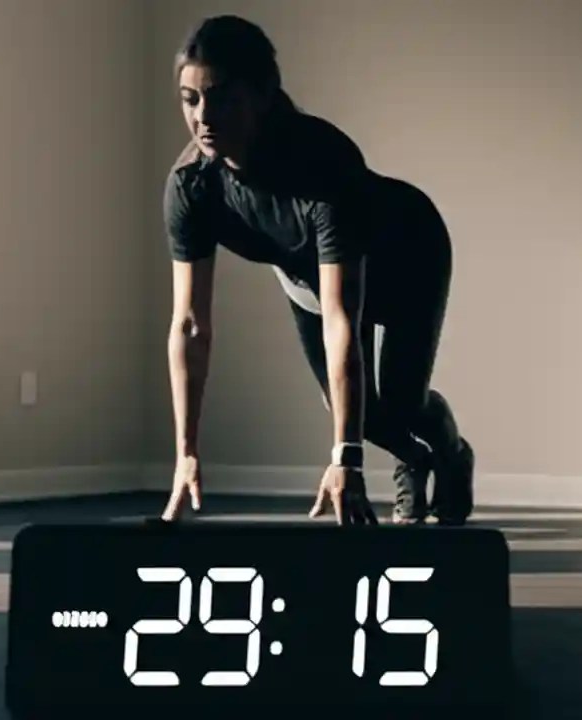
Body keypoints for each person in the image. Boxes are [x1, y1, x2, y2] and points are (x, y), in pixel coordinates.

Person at [159, 15, 474, 527]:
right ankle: (414, 460)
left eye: (222, 97)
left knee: (398, 407)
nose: (203, 116)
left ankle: (451, 452)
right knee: (353, 411)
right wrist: (186, 452)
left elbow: (341, 316)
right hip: (309, 280)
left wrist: (344, 461)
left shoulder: (323, 162)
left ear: (263, 95)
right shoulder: (192, 185)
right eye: (190, 99)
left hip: (408, 257)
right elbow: (190, 325)